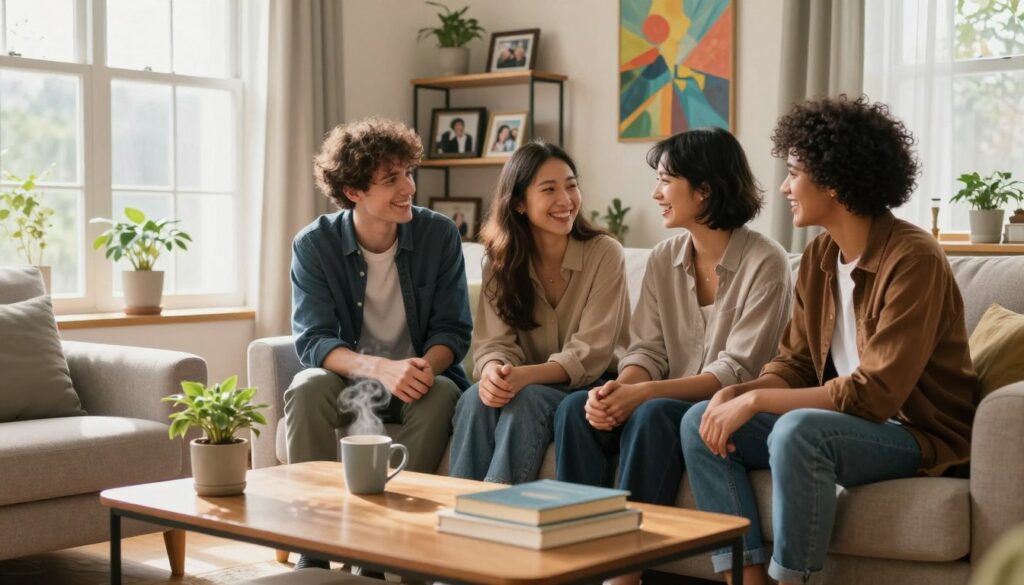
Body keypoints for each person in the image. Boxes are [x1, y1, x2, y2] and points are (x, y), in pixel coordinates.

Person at [680, 96, 979, 585]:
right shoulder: (820, 257)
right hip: (849, 423)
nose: (784, 186)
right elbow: (795, 361)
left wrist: (757, 398)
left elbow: (875, 393)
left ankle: (792, 579)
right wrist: (736, 394)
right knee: (700, 420)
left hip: (916, 434)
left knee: (799, 430)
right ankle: (746, 577)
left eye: (794, 172)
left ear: (834, 182)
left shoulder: (914, 258)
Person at [553, 128, 792, 585]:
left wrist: (643, 393)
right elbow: (647, 349)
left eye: (666, 180)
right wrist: (619, 389)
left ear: (704, 190)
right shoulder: (664, 258)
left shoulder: (767, 262)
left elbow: (734, 372)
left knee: (655, 413)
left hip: (725, 405)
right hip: (664, 396)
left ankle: (625, 570)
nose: (655, 193)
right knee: (574, 409)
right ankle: (575, 563)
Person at [287, 117, 473, 571]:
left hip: (418, 380)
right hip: (348, 379)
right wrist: (378, 368)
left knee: (444, 392)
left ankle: (384, 545)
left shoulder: (439, 234)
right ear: (354, 192)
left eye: (408, 172)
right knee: (308, 386)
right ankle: (314, 547)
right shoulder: (315, 245)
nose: (408, 186)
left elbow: (453, 330)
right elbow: (313, 339)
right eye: (391, 179)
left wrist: (423, 367)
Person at [448, 140, 631, 485]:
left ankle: (495, 516)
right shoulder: (500, 261)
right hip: (524, 381)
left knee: (528, 399)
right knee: (474, 399)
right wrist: (492, 374)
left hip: (591, 384)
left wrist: (523, 377)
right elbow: (493, 344)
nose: (566, 200)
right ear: (518, 203)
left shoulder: (605, 254)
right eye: (549, 189)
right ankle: (456, 511)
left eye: (571, 185)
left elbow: (591, 353)